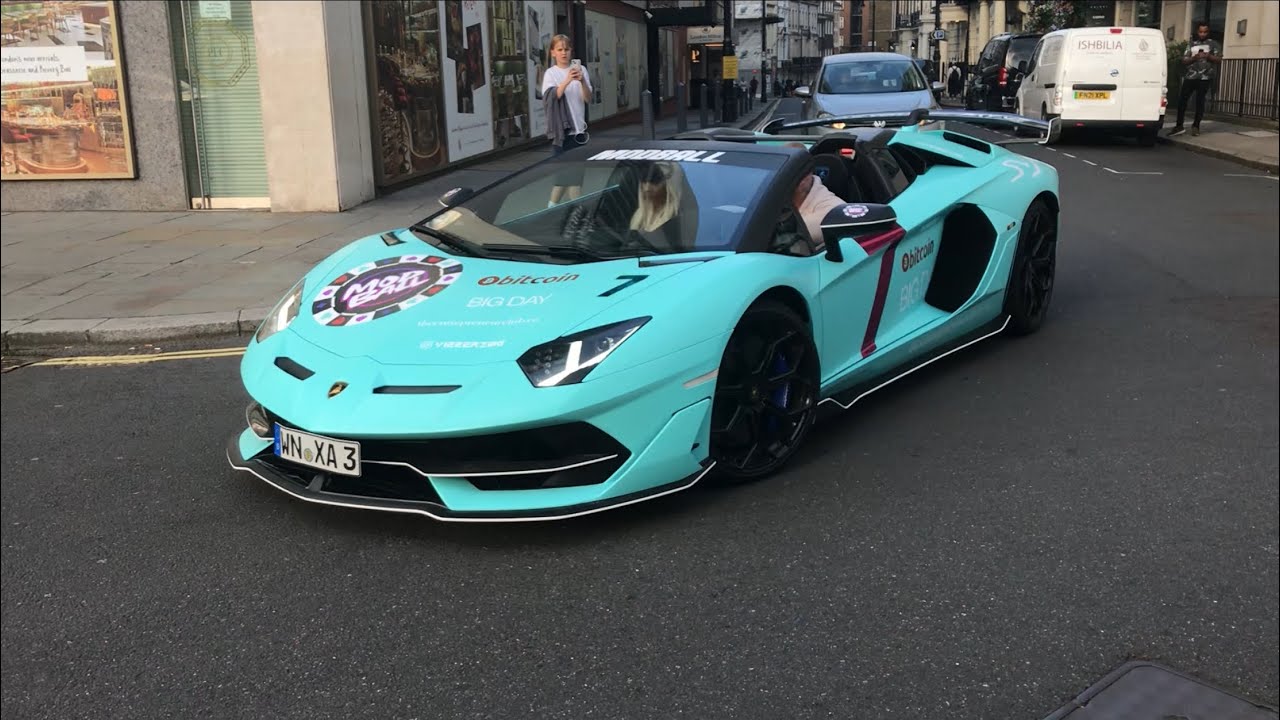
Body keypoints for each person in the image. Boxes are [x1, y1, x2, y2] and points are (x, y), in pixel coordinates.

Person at [541, 34, 593, 204]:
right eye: (560, 49)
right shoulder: (551, 73)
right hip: (562, 133)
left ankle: (550, 208)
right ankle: (578, 214)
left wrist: (582, 81)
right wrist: (567, 80)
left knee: (566, 179)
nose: (564, 53)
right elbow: (551, 97)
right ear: (553, 53)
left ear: (571, 51)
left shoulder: (581, 69)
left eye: (567, 49)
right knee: (571, 179)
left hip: (579, 132)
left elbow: (588, 99)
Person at [1170, 23, 1221, 137]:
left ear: (1208, 32)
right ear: (1197, 32)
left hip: (1205, 77)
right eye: (1200, 32)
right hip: (1190, 76)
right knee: (1182, 100)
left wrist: (1209, 57)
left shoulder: (1213, 44)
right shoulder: (1192, 44)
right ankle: (1179, 126)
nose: (1202, 34)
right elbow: (1184, 60)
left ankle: (1196, 126)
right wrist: (1194, 58)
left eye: (1205, 32)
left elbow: (1219, 59)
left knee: (1200, 102)